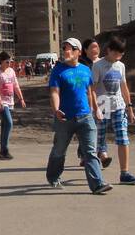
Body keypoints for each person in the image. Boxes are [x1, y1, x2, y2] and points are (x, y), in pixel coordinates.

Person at [47, 37, 110, 194]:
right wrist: (56, 110)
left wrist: (95, 109)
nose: (66, 51)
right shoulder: (58, 70)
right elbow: (54, 92)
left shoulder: (85, 70)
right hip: (64, 118)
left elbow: (89, 93)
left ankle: (97, 184)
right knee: (59, 150)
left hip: (85, 117)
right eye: (64, 48)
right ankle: (53, 176)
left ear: (78, 52)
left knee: (90, 152)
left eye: (70, 48)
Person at [94, 37, 135, 184]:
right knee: (99, 139)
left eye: (121, 55)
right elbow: (92, 89)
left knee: (123, 138)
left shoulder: (121, 66)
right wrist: (95, 108)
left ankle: (124, 173)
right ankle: (96, 170)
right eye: (116, 54)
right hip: (102, 106)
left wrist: (129, 107)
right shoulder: (98, 65)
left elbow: (124, 87)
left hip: (119, 106)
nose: (118, 57)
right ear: (108, 50)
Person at [0, 51, 27, 159]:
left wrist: (21, 98)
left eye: (10, 62)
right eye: (7, 62)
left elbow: (16, 85)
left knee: (5, 126)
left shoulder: (11, 72)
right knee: (9, 123)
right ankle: (5, 149)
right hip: (1, 102)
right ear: (1, 61)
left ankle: (2, 151)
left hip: (10, 102)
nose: (9, 64)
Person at [77, 38, 102, 167]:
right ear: (85, 50)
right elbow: (80, 84)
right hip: (86, 102)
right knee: (88, 129)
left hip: (102, 101)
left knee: (98, 129)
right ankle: (85, 155)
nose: (95, 49)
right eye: (92, 47)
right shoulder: (82, 65)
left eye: (97, 47)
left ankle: (100, 154)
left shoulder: (102, 63)